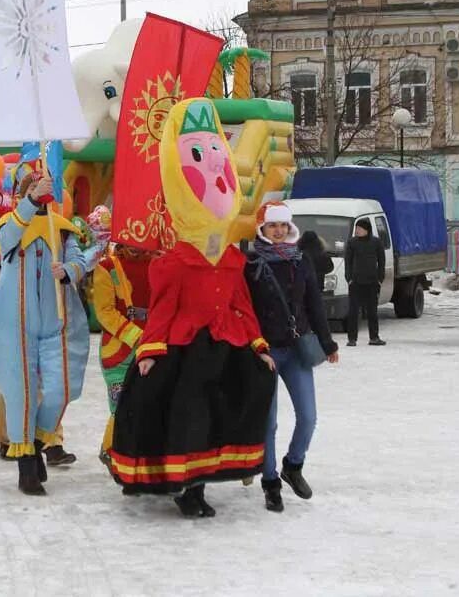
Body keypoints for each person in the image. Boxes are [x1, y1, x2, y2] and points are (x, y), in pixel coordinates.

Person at [107, 98, 277, 518]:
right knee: (187, 418)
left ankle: (201, 483)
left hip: (225, 348)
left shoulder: (233, 260)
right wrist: (149, 352)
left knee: (220, 415)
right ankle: (187, 488)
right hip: (185, 350)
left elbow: (241, 306)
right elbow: (163, 310)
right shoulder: (175, 262)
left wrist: (258, 345)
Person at [0, 169, 90, 496]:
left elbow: (79, 261)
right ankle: (26, 464)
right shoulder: (10, 223)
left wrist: (69, 270)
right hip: (13, 320)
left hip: (58, 320)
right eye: (31, 186)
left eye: (42, 186)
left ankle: (39, 440)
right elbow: (7, 241)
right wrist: (30, 201)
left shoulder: (63, 229)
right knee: (21, 393)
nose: (39, 189)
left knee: (62, 390)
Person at [244, 202, 340, 513]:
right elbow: (244, 309)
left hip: (297, 348)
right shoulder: (252, 262)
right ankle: (270, 482)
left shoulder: (301, 260)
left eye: (283, 225)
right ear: (263, 228)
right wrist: (253, 346)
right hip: (265, 353)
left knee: (309, 417)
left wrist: (327, 343)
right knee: (268, 424)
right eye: (273, 226)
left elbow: (314, 303)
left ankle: (293, 465)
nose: (279, 230)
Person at [92, 242, 153, 463]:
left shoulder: (160, 263)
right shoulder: (107, 266)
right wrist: (135, 335)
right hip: (118, 351)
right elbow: (105, 311)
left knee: (147, 405)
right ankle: (111, 449)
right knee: (121, 406)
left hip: (154, 348)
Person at [344, 218, 386, 347]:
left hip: (372, 282)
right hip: (355, 282)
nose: (357, 230)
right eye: (356, 228)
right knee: (353, 311)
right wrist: (349, 278)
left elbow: (381, 261)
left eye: (360, 228)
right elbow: (348, 262)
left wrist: (380, 279)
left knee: (372, 311)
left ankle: (374, 337)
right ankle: (352, 339)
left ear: (367, 230)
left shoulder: (376, 242)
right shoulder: (352, 243)